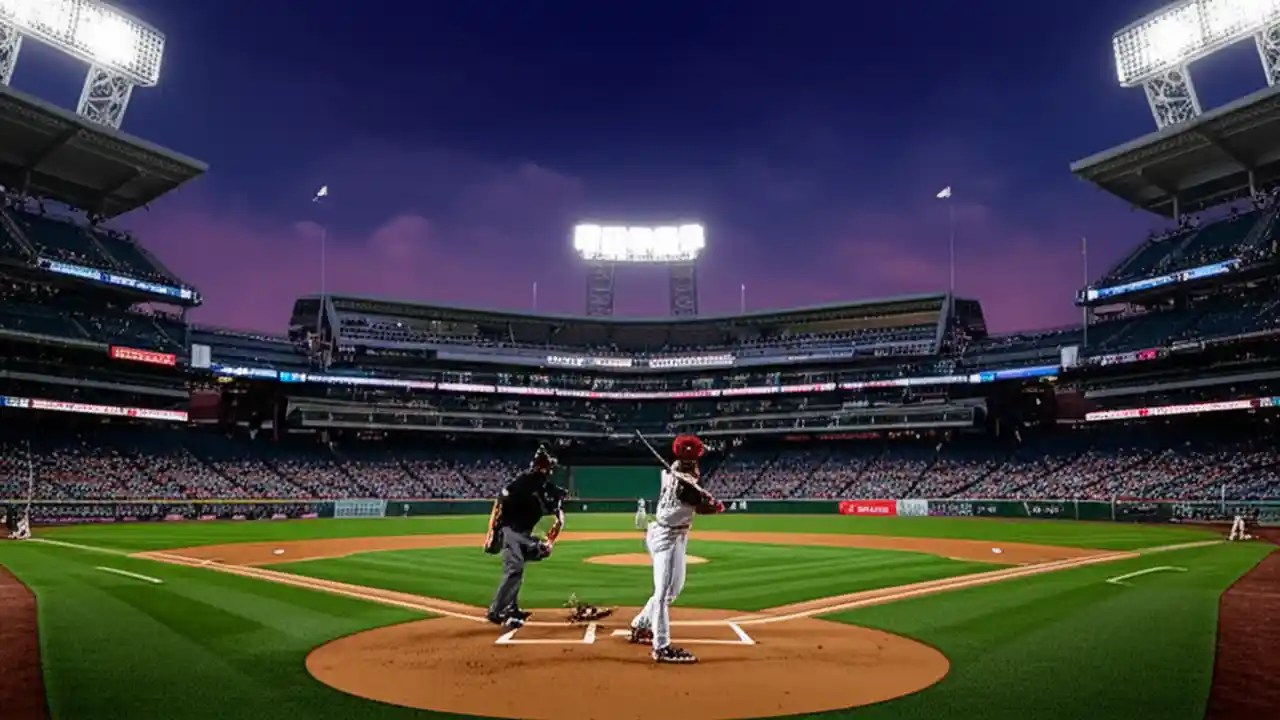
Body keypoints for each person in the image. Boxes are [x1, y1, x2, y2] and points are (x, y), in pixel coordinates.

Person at [628, 434, 724, 664]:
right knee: (662, 593)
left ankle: (640, 624)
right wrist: (711, 503)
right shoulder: (685, 489)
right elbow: (706, 508)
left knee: (673, 590)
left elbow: (687, 481)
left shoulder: (671, 472)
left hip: (673, 533)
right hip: (666, 538)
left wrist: (698, 491)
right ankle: (661, 646)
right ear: (691, 461)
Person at [485, 445, 567, 629]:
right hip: (509, 530)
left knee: (536, 554)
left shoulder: (547, 489)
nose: (550, 470)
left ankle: (511, 608)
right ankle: (496, 611)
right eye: (548, 466)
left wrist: (549, 542)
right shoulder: (524, 482)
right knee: (515, 568)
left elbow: (559, 520)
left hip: (524, 535)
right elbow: (500, 502)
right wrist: (491, 532)